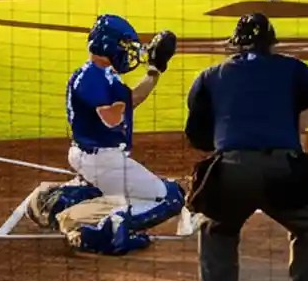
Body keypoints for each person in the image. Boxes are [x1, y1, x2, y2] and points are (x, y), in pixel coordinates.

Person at [185, 13, 308, 281]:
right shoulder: (294, 69)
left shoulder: (211, 75)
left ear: (236, 45)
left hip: (232, 172)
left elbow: (197, 137)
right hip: (282, 171)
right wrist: (289, 127)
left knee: (216, 229)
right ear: (271, 44)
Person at [18, 15, 184, 255]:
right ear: (109, 45)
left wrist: (154, 71)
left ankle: (62, 202)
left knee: (113, 191)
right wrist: (154, 70)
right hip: (103, 160)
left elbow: (130, 101)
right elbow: (115, 115)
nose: (129, 53)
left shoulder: (98, 74)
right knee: (170, 198)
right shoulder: (91, 79)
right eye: (125, 46)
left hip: (91, 156)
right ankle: (107, 229)